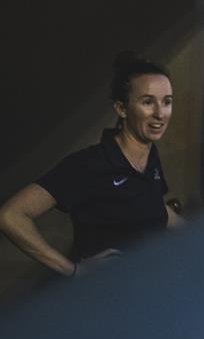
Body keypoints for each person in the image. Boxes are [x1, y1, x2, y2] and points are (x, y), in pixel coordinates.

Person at [0, 52, 183, 276]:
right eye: (147, 102)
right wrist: (73, 271)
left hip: (147, 288)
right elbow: (11, 215)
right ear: (121, 109)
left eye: (167, 102)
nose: (160, 114)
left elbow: (153, 207)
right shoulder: (89, 164)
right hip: (105, 300)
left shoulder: (151, 155)